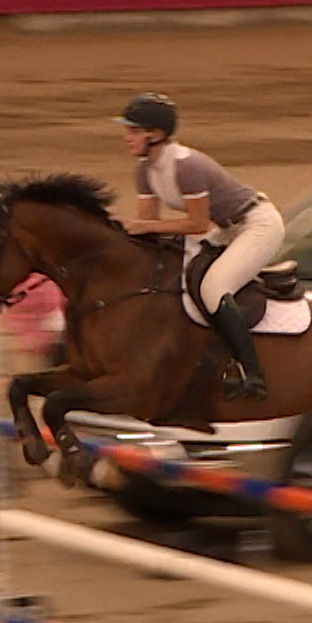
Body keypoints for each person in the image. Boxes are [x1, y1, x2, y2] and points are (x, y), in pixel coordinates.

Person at [115, 92, 284, 401]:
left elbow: (197, 224)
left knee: (213, 288)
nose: (127, 137)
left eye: (134, 131)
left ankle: (253, 373)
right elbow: (147, 225)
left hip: (257, 225)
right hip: (227, 229)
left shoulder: (186, 166)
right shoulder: (144, 172)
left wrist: (146, 226)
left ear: (157, 135)